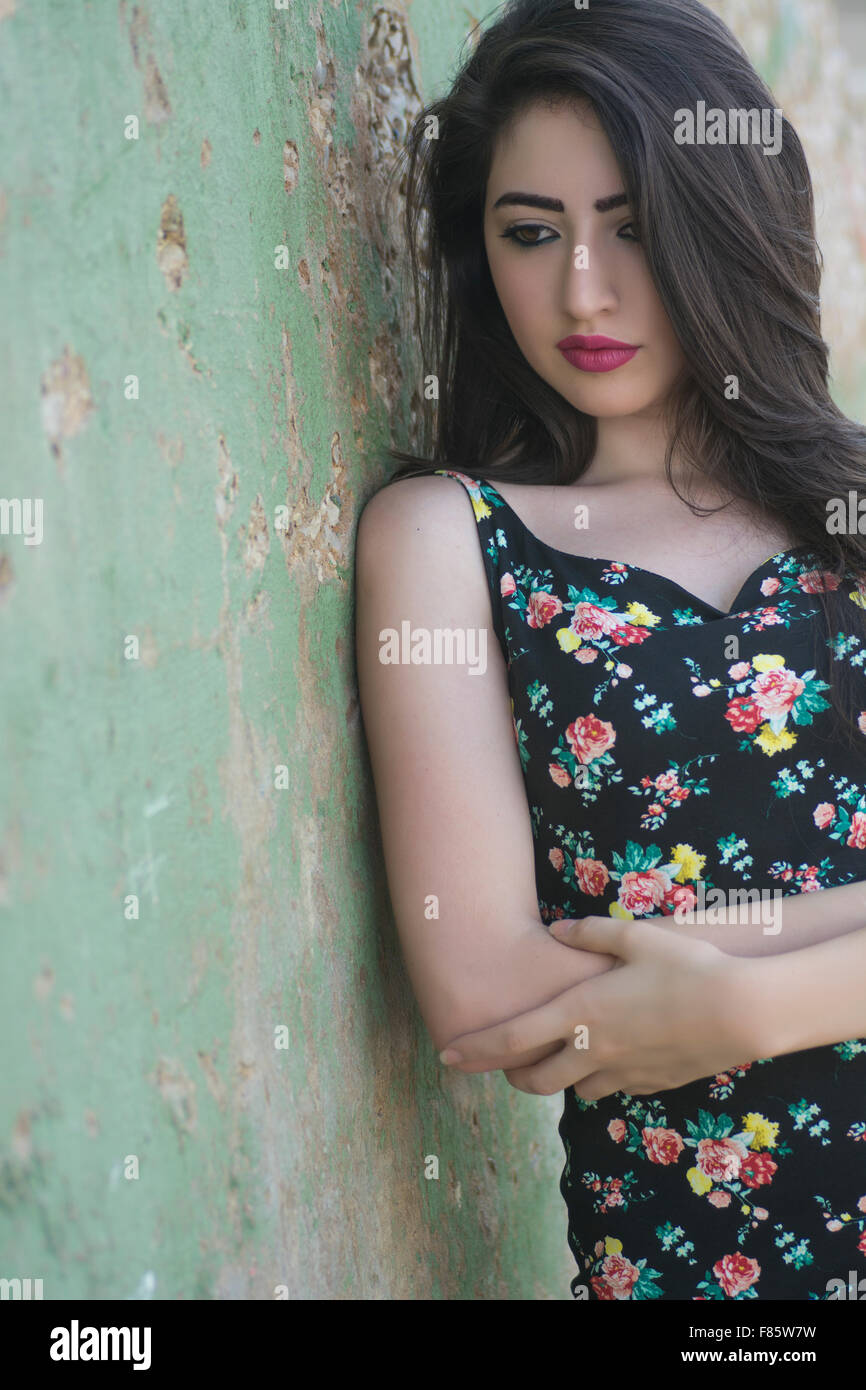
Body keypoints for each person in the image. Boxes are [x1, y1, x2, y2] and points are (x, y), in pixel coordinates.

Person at [354, 0, 866, 1300]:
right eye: (531, 232)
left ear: (723, 224)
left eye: (632, 226)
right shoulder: (448, 542)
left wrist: (753, 1008)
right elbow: (483, 989)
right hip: (703, 1278)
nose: (582, 287)